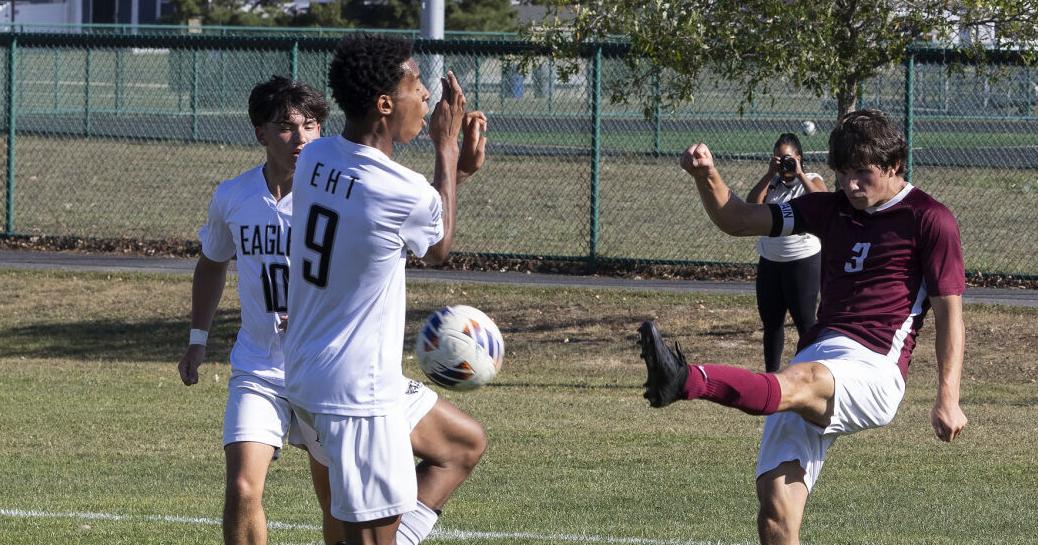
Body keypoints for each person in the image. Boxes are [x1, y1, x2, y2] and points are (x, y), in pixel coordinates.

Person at [639, 109, 967, 545]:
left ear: (894, 165)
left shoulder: (930, 218)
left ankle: (685, 380)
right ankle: (686, 381)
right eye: (843, 172)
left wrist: (948, 397)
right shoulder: (828, 207)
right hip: (818, 351)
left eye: (862, 173)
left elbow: (950, 315)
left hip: (873, 366)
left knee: (800, 379)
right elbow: (737, 219)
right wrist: (706, 176)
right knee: (775, 511)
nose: (850, 185)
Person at [283, 35, 489, 545]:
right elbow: (436, 247)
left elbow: (388, 214)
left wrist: (453, 174)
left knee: (462, 443)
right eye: (417, 85)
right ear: (383, 104)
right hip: (359, 396)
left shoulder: (315, 157)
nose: (427, 98)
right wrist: (446, 147)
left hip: (313, 373)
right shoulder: (404, 192)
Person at [176, 76, 343, 545]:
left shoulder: (336, 197)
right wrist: (197, 341)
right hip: (257, 364)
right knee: (242, 486)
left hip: (323, 367)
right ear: (260, 133)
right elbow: (211, 263)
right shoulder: (233, 196)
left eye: (311, 125)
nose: (302, 137)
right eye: (287, 127)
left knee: (333, 499)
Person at [745, 134, 827, 372]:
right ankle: (772, 377)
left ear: (799, 158)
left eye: (788, 159)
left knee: (805, 323)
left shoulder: (811, 179)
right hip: (770, 262)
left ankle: (811, 373)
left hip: (802, 262)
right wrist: (769, 174)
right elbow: (751, 206)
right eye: (779, 160)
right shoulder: (772, 184)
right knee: (771, 323)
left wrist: (800, 173)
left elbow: (821, 202)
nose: (784, 165)